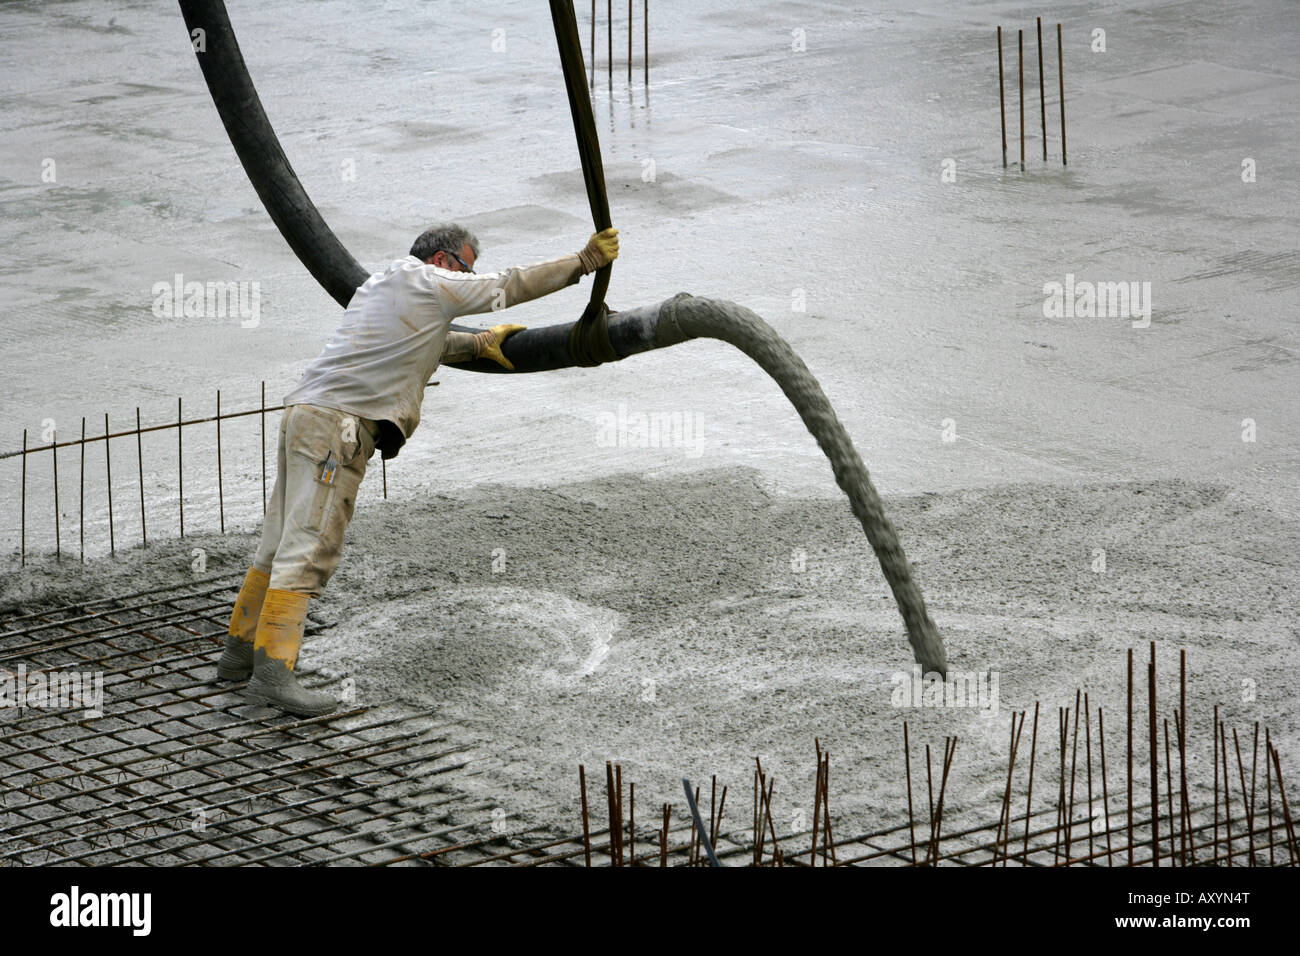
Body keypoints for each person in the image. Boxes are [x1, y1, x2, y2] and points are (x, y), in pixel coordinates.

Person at [219, 223, 620, 716]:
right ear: (446, 261)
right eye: (466, 268)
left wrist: (479, 345)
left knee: (277, 542)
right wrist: (582, 261)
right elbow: (505, 287)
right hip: (339, 430)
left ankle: (237, 658)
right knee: (308, 550)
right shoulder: (429, 282)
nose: (468, 277)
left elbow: (423, 343)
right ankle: (272, 678)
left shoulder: (383, 285)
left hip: (305, 416)